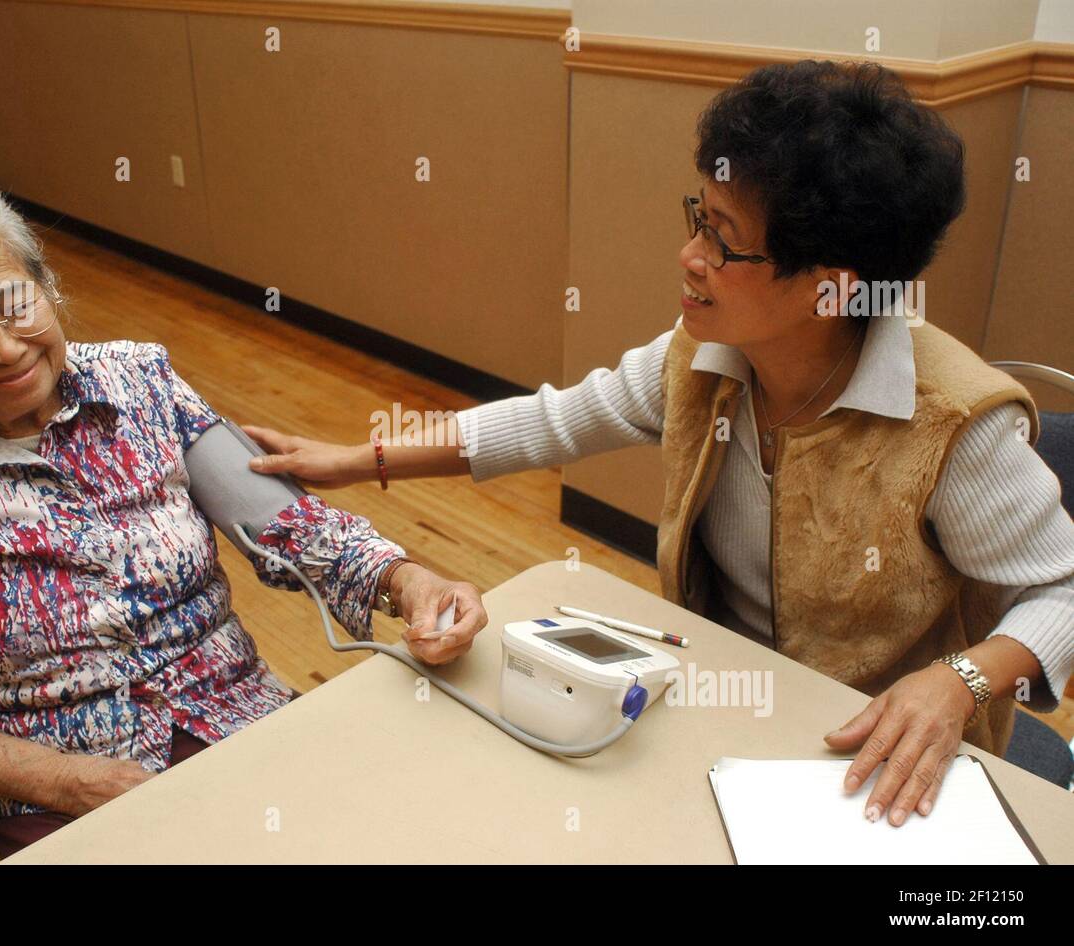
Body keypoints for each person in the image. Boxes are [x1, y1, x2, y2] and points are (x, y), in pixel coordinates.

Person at [242, 61, 1074, 828]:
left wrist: (960, 682)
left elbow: (1064, 593)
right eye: (697, 219)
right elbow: (550, 421)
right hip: (715, 710)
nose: (690, 257)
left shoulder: (953, 424)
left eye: (723, 239)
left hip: (874, 765)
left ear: (830, 289)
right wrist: (354, 459)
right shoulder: (702, 362)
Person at [0, 188, 486, 858]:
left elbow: (292, 527)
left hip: (241, 725)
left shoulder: (142, 382)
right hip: (65, 794)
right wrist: (74, 783)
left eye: (14, 304)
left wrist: (406, 580)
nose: (4, 349)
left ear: (47, 288)